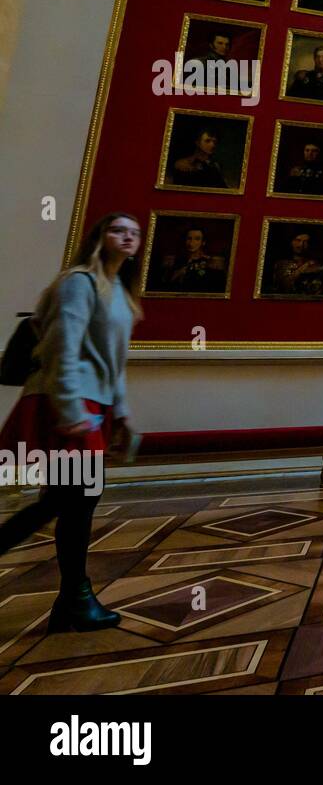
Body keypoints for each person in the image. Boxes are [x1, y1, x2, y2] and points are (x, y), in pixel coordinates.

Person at [0, 213, 143, 633]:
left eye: (134, 233)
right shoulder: (78, 283)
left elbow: (114, 364)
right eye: (118, 230)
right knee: (68, 502)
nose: (127, 238)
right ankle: (75, 599)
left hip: (91, 408)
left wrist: (122, 413)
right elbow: (64, 351)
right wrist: (72, 415)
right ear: (99, 237)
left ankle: (74, 600)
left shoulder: (119, 291)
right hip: (67, 404)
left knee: (72, 502)